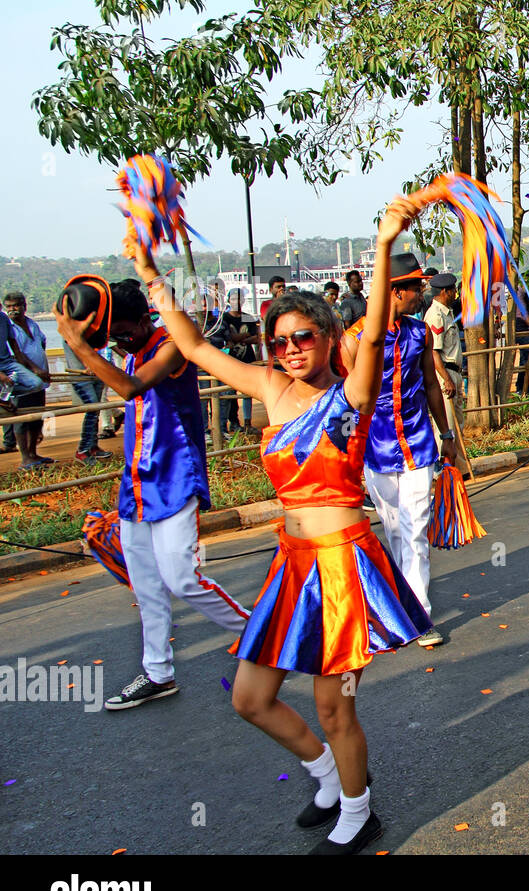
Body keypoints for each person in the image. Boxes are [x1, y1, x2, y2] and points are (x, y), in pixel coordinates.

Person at [128, 194, 438, 854]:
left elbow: (378, 331)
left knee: (334, 706)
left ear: (329, 336)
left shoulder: (350, 393)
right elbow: (187, 344)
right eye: (281, 340)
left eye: (304, 337)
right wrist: (149, 268)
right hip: (292, 565)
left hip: (341, 563)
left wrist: (381, 244)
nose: (292, 349)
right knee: (249, 697)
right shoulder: (270, 389)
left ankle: (359, 808)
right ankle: (326, 775)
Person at [56, 278, 250, 709]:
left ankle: (260, 634)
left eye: (126, 333)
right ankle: (158, 673)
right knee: (145, 587)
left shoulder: (171, 345)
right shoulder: (133, 350)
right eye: (114, 336)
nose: (121, 342)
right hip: (136, 485)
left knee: (182, 578)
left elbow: (131, 388)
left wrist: (82, 348)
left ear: (146, 319)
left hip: (176, 477)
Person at [342, 252, 460, 649]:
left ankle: (418, 615)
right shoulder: (355, 338)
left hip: (419, 445)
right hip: (375, 451)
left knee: (415, 529)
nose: (421, 292)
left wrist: (447, 434)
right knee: (395, 531)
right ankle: (399, 605)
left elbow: (429, 383)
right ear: (395, 292)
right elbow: (345, 402)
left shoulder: (420, 332)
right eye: (416, 287)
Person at [424, 273, 470, 476]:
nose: (455, 294)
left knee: (457, 424)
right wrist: (446, 378)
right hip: (446, 374)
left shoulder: (447, 312)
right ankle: (442, 470)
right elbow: (433, 351)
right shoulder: (435, 315)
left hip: (454, 372)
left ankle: (459, 467)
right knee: (446, 426)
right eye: (452, 290)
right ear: (445, 291)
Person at [2, 293, 52, 466]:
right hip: (21, 377)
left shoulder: (32, 323)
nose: (12, 310)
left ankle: (33, 454)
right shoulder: (8, 326)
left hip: (39, 378)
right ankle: (25, 457)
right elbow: (16, 355)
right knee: (22, 418)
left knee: (37, 416)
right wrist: (35, 369)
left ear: (24, 306)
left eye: (15, 306)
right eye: (8, 306)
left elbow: (41, 344)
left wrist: (42, 369)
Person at [222, 289, 262, 435]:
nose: (237, 302)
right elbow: (229, 338)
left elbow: (256, 338)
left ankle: (247, 422)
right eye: (233, 299)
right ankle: (233, 422)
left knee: (247, 392)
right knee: (230, 392)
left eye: (239, 299)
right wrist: (245, 336)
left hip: (248, 359)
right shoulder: (224, 318)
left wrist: (239, 338)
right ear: (228, 300)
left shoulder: (248, 318)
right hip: (231, 360)